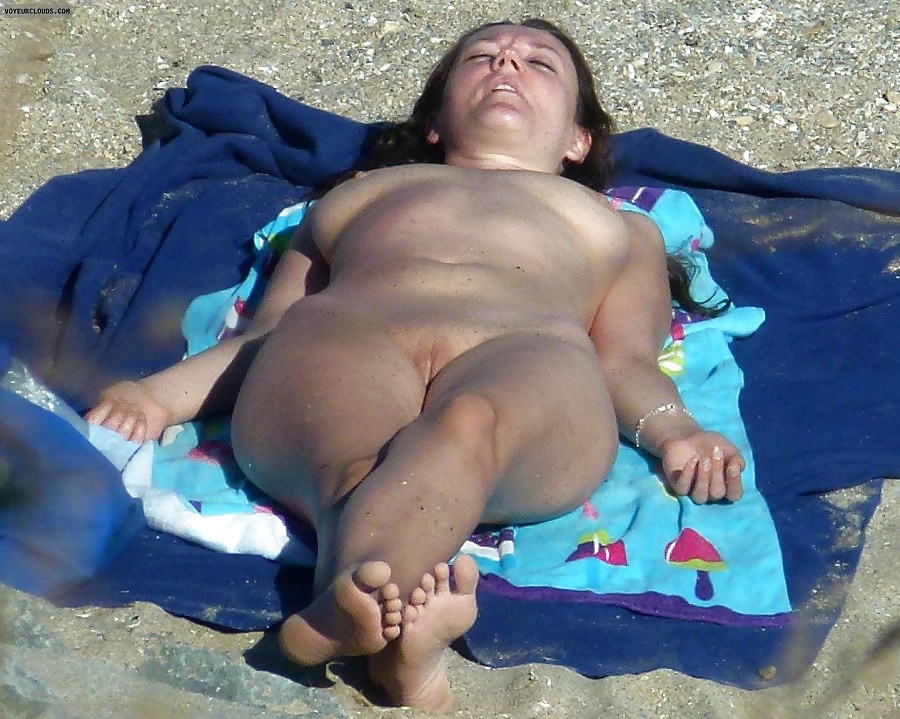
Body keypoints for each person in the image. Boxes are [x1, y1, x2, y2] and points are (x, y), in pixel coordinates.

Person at [86, 18, 745, 712]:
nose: (507, 65)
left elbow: (625, 358)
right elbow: (270, 332)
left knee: (470, 422)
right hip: (353, 335)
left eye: (539, 64)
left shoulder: (620, 226)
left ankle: (350, 604)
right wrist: (160, 395)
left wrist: (676, 430)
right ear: (433, 122)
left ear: (578, 138)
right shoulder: (360, 194)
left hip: (526, 356)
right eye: (482, 57)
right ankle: (399, 650)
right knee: (350, 457)